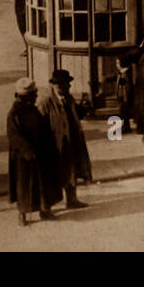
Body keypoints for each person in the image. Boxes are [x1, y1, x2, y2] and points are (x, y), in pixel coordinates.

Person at [37, 69, 92, 209]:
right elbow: (39, 125)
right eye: (61, 85)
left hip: (71, 141)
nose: (67, 87)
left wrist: (85, 108)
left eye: (67, 84)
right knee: (53, 175)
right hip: (55, 144)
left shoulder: (69, 98)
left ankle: (72, 200)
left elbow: (74, 115)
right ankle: (46, 207)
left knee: (71, 171)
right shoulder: (46, 102)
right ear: (54, 86)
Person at [7, 78, 58, 225]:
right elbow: (14, 136)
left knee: (41, 182)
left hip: (39, 152)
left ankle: (44, 209)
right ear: (25, 96)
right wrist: (28, 152)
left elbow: (42, 127)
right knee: (23, 185)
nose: (36, 96)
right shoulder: (14, 113)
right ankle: (22, 214)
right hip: (23, 157)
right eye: (34, 93)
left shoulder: (32, 108)